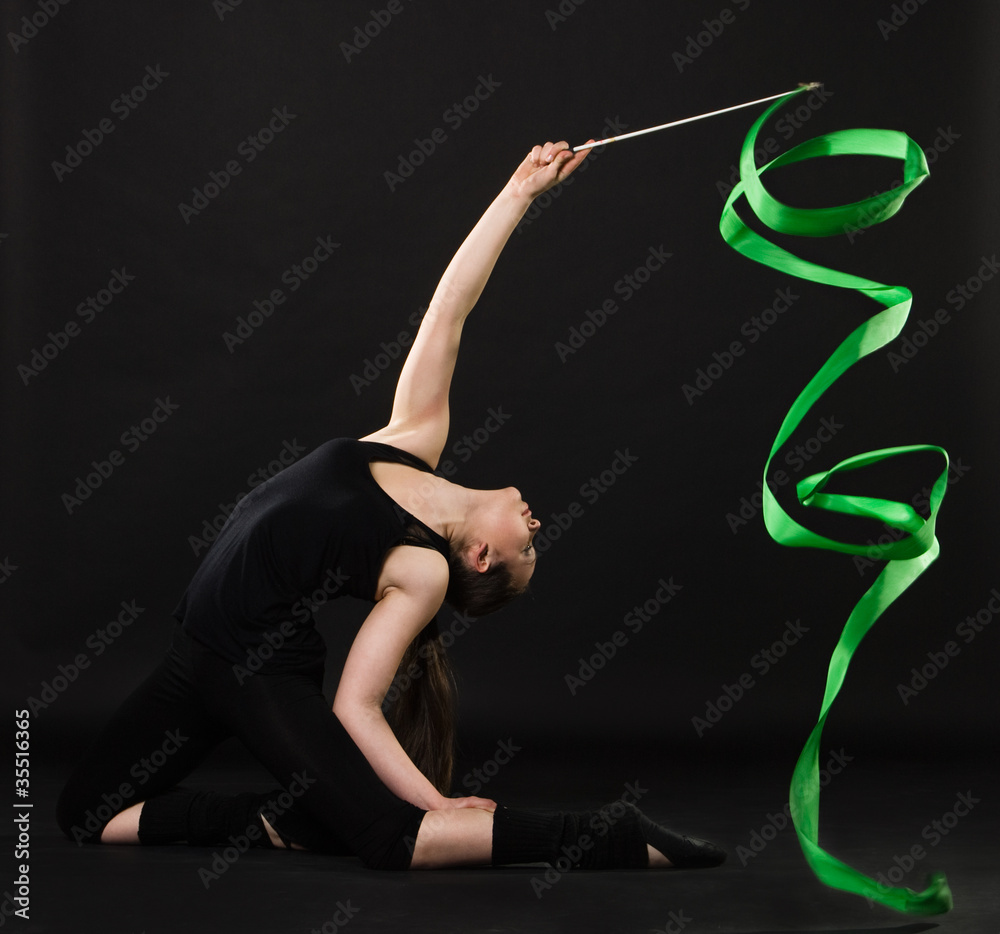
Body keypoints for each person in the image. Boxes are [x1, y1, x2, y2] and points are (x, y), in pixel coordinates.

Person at [56, 140, 726, 872]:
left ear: (477, 556)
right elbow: (449, 311)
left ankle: (614, 838)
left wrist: (435, 805)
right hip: (197, 652)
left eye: (527, 548)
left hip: (256, 672)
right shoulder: (414, 440)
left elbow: (355, 705)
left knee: (394, 841)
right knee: (81, 814)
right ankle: (291, 822)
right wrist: (520, 193)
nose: (537, 526)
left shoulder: (422, 569)